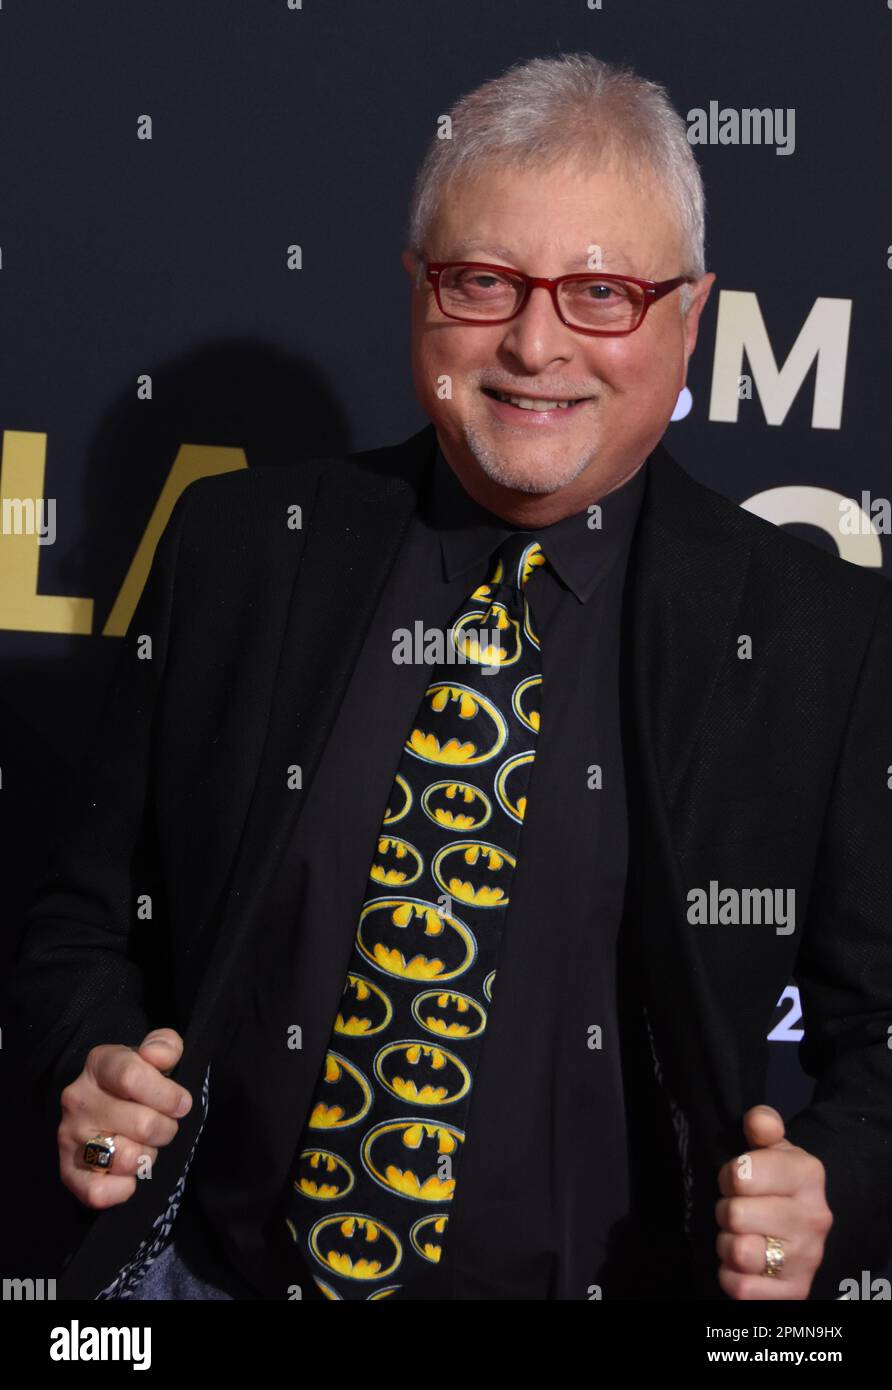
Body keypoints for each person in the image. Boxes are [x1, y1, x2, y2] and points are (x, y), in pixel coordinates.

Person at [9, 52, 892, 1302]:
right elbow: (84, 924)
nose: (534, 344)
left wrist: (836, 1188)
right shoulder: (239, 551)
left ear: (688, 316)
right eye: (484, 281)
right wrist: (90, 1061)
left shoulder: (820, 634)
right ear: (419, 291)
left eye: (601, 293)